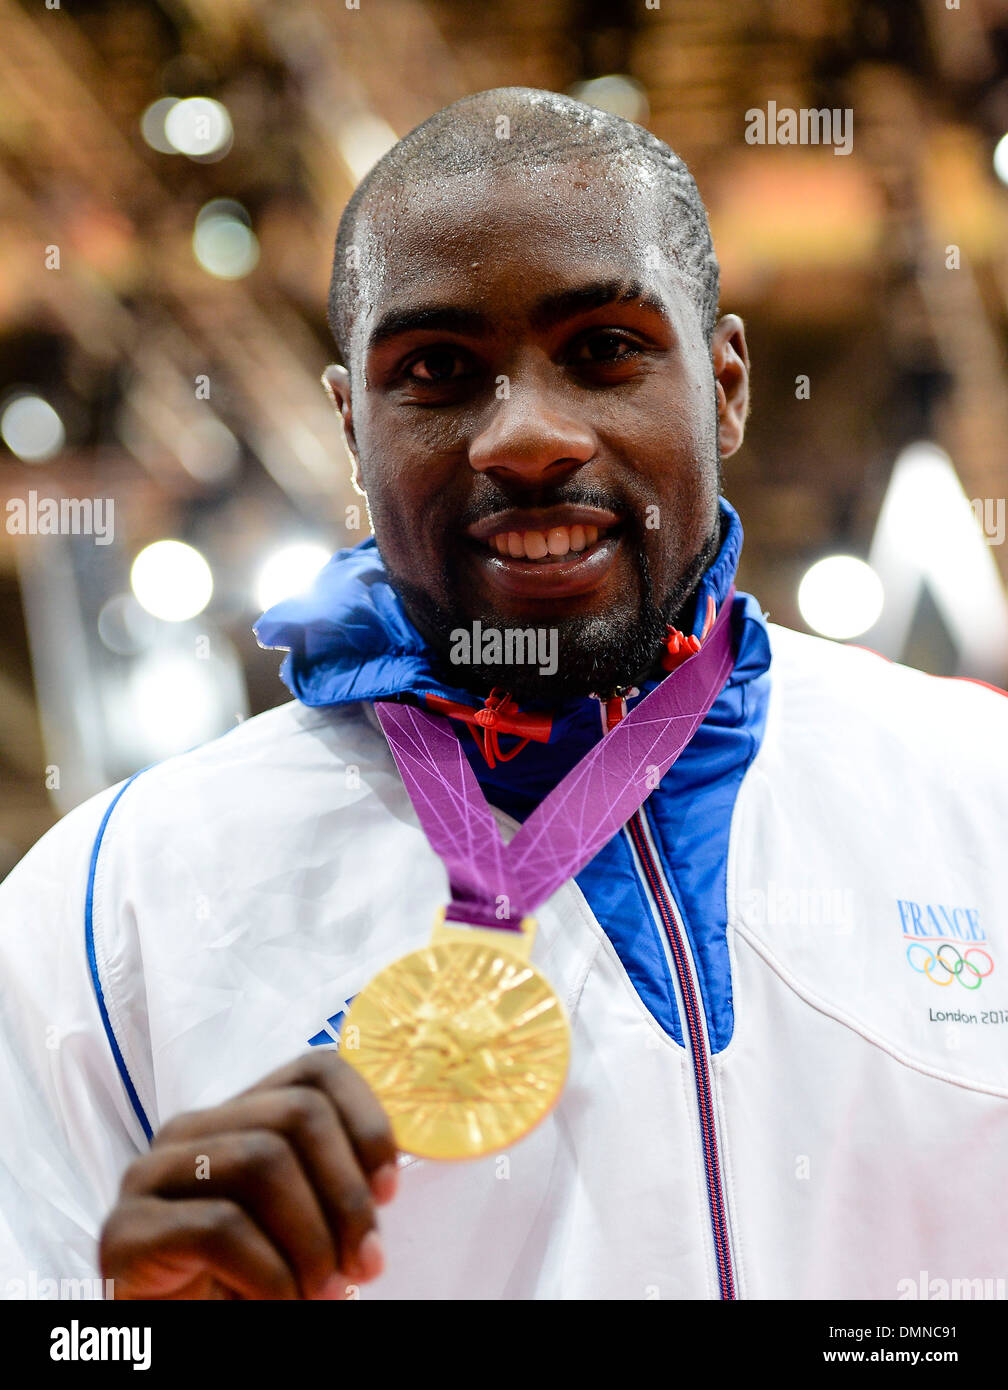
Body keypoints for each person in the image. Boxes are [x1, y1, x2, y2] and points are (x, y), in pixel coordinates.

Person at [1, 87, 1006, 1302]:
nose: (526, 436)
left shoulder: (978, 791)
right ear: (350, 426)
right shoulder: (113, 905)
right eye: (436, 370)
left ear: (728, 385)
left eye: (606, 350)